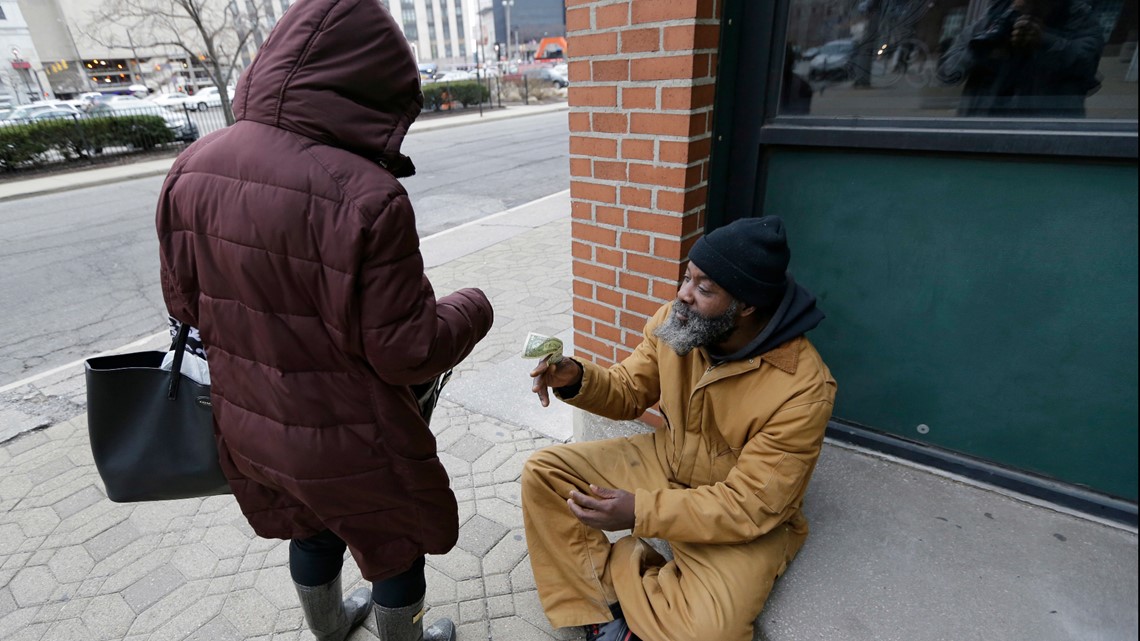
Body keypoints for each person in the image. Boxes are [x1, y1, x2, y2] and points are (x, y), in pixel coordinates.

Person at [154, 0, 493, 639]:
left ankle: (331, 628)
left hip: (250, 421)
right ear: (373, 87)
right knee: (395, 543)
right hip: (351, 435)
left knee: (309, 523)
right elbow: (408, 349)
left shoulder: (191, 167)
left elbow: (184, 306)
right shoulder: (368, 196)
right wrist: (473, 308)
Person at [522, 216, 837, 641]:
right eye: (687, 277)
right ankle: (609, 609)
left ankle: (622, 572)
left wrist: (640, 512)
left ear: (745, 305)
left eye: (705, 288)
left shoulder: (803, 389)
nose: (683, 295)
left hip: (735, 509)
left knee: (711, 633)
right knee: (544, 474)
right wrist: (577, 378)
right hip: (667, 462)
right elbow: (629, 389)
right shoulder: (678, 324)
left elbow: (751, 505)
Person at [936, 0, 1105, 117]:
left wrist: (1044, 41)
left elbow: (1087, 67)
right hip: (982, 130)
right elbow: (948, 73)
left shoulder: (1078, 19)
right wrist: (983, 49)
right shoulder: (994, 17)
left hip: (1046, 138)